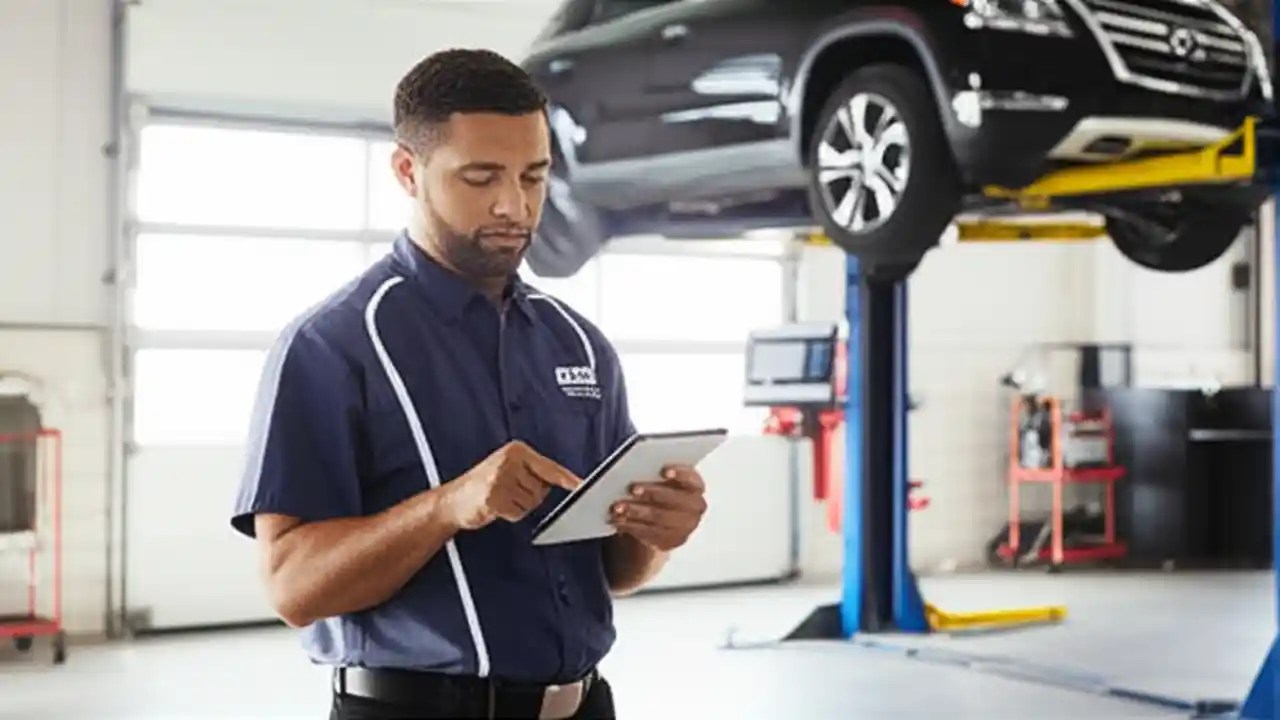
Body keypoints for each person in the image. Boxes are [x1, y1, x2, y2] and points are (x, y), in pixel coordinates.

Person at [229, 48, 710, 719]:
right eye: (480, 177)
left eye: (534, 177)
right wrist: (449, 506)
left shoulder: (580, 345)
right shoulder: (332, 346)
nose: (514, 205)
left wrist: (656, 530)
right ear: (408, 170)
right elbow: (292, 587)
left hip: (586, 705)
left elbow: (616, 573)